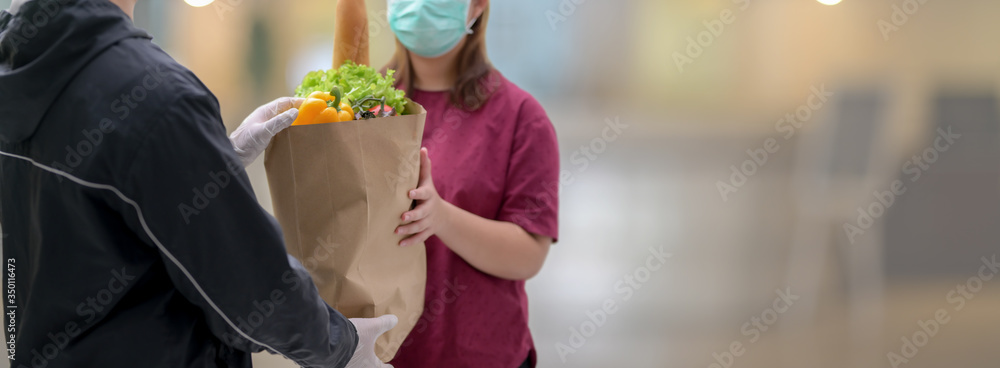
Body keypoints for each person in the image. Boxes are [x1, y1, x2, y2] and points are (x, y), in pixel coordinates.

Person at [0, 0, 393, 367]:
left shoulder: (18, 68)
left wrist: (216, 159)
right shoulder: (158, 95)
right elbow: (254, 292)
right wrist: (343, 343)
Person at [382, 0, 560, 367]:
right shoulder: (360, 109)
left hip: (479, 353)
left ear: (476, 7)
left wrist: (441, 218)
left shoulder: (522, 119)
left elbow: (529, 254)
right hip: (381, 356)